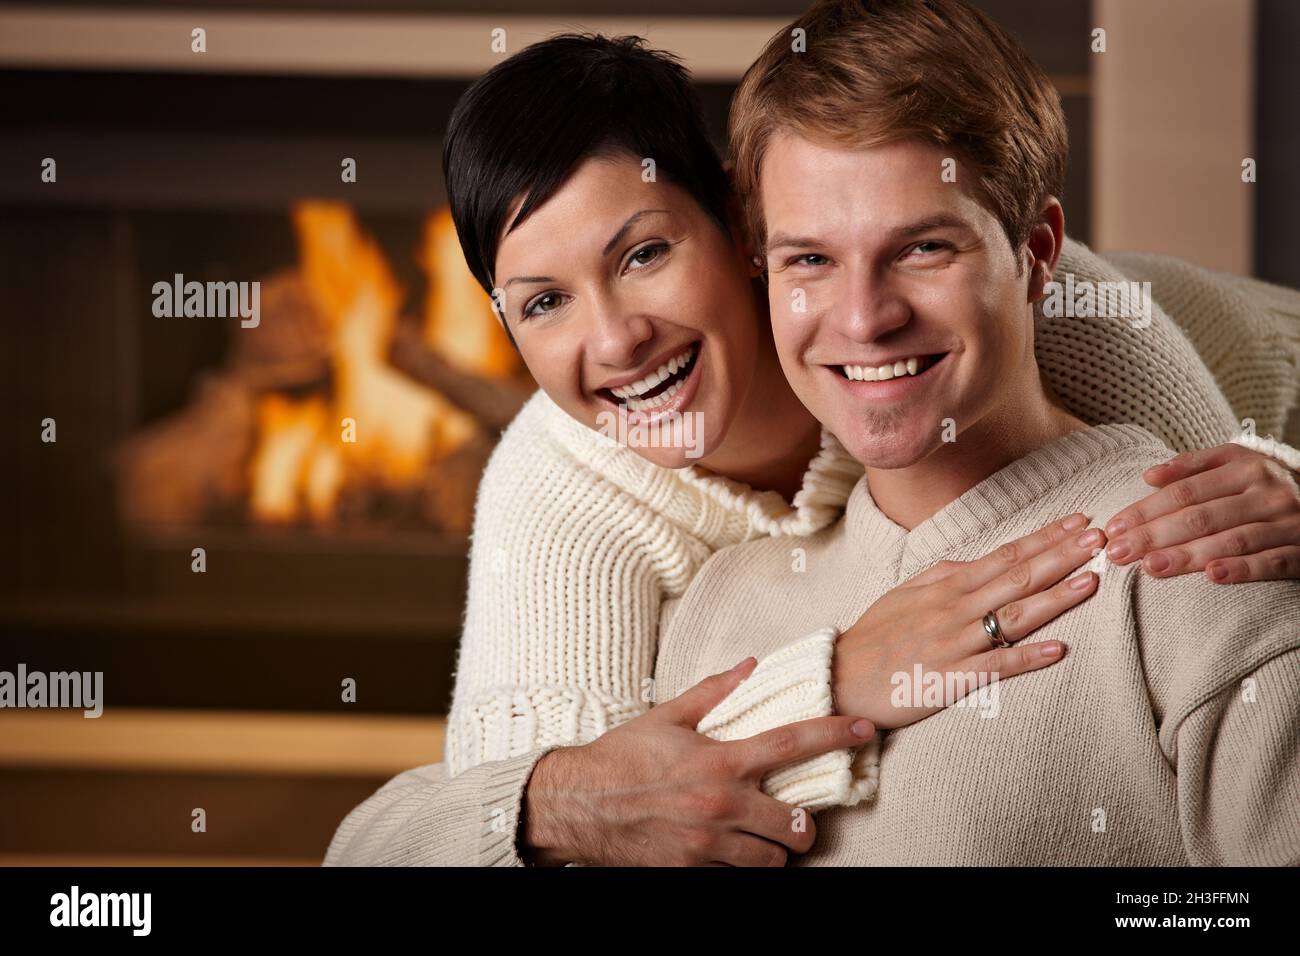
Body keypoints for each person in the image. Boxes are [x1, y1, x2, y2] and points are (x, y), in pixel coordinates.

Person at [325, 25, 1300, 866]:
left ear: (732, 235)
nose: (615, 339)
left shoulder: (1073, 316)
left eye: (645, 253)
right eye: (542, 302)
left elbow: (1201, 520)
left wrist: (1283, 487)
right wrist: (832, 678)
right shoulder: (574, 498)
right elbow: (571, 816)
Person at [639, 0, 1300, 865]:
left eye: (923, 249)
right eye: (810, 259)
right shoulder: (716, 604)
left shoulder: (1203, 551)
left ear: (1037, 251)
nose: (864, 318)